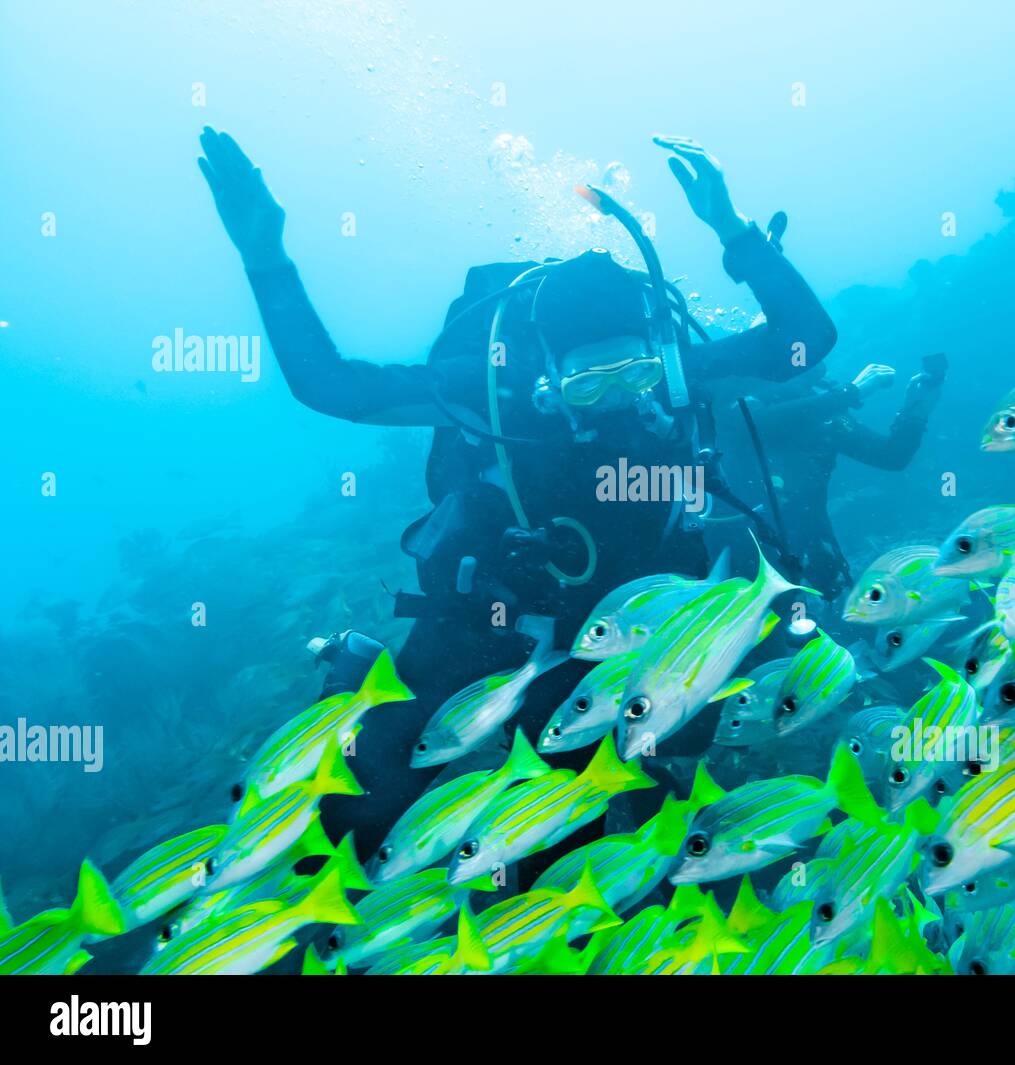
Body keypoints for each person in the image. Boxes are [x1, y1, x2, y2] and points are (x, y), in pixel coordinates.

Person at [197, 129, 838, 858]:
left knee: (569, 853)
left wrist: (733, 230)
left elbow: (808, 337)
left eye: (634, 373)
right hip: (486, 615)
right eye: (587, 382)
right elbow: (331, 384)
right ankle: (357, 678)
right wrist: (264, 254)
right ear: (547, 375)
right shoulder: (499, 388)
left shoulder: (679, 370)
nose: (615, 400)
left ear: (657, 355)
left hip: (626, 635)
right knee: (351, 819)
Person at [741, 353, 946, 603]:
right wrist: (850, 393)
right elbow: (756, 425)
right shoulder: (740, 403)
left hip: (799, 546)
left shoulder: (825, 416)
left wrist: (915, 411)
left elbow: (891, 457)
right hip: (740, 543)